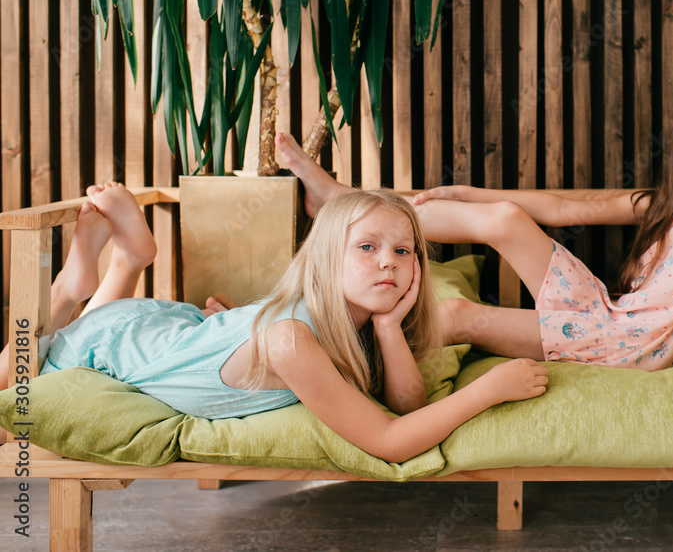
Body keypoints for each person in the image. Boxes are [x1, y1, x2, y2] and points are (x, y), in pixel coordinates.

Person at [278, 77, 673, 371]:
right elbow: (563, 207)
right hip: (608, 312)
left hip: (633, 343)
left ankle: (322, 350)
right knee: (505, 217)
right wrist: (472, 194)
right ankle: (342, 201)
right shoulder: (672, 201)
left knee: (455, 315)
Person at [0, 183, 548, 463]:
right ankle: (78, 283)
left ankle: (120, 264)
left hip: (176, 329)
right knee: (11, 392)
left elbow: (407, 402)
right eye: (367, 247)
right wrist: (489, 390)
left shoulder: (360, 322)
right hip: (117, 339)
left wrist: (387, 329)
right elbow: (390, 439)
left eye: (405, 251)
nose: (390, 261)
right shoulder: (292, 340)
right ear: (325, 258)